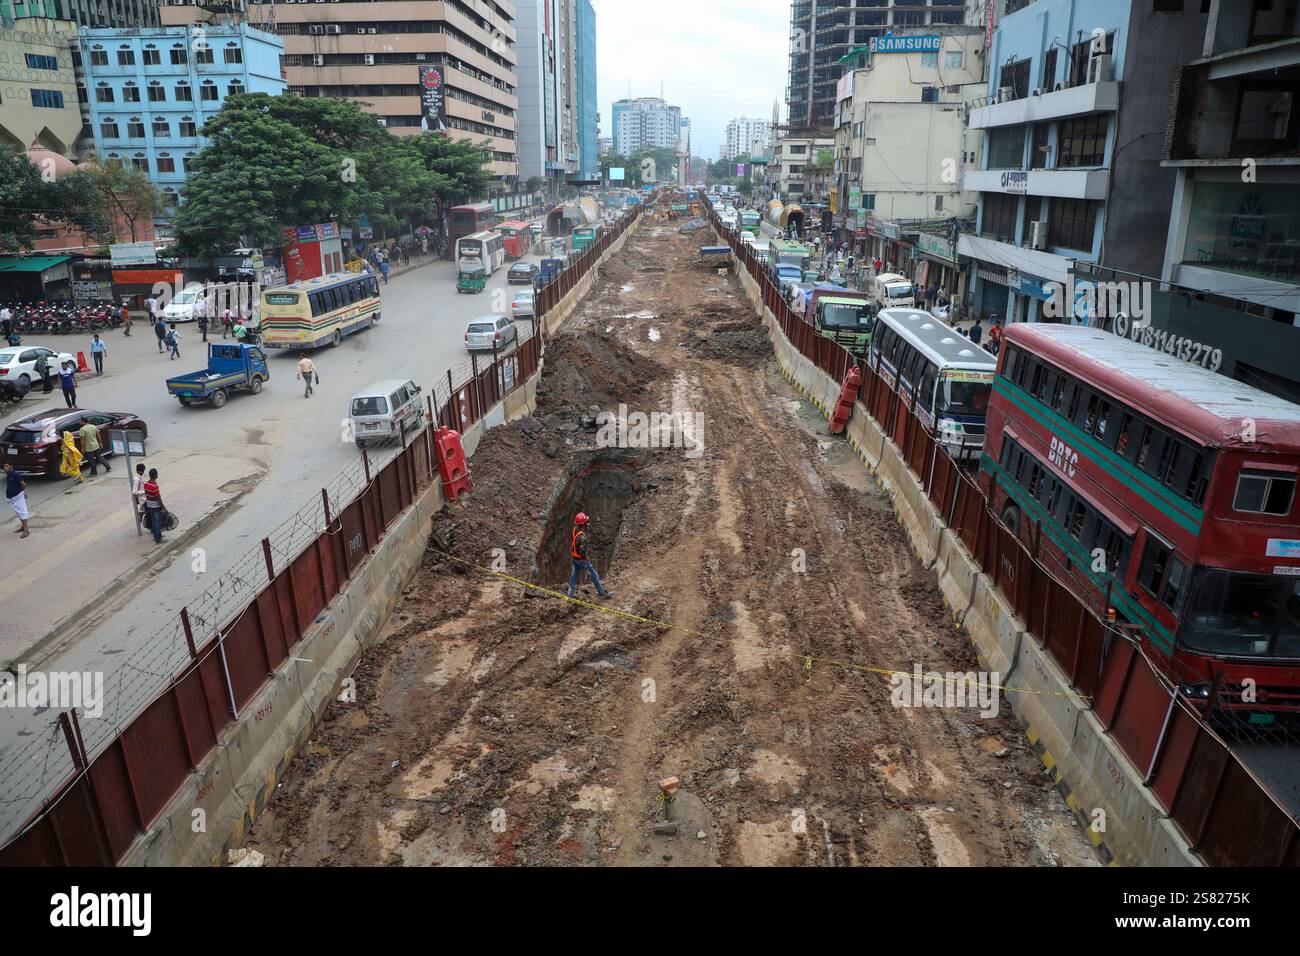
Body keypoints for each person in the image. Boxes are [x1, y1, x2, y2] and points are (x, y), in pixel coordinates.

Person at [566, 512, 611, 600]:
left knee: (574, 576)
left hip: (574, 559)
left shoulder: (575, 530)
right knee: (593, 574)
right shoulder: (583, 536)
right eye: (586, 522)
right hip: (582, 560)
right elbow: (582, 551)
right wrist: (586, 558)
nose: (588, 524)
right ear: (583, 524)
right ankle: (601, 593)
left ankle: (570, 594)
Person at [4, 461, 29, 538]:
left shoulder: (16, 474)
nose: (4, 468)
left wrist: (22, 493)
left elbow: (23, 484)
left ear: (11, 466)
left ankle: (26, 530)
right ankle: (23, 527)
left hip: (18, 496)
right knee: (19, 512)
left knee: (22, 512)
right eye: (4, 466)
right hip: (12, 498)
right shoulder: (8, 473)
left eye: (6, 466)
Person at [142, 467, 167, 544]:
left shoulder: (146, 484)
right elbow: (158, 498)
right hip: (156, 507)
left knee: (153, 521)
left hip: (149, 505)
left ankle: (155, 536)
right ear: (156, 475)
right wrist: (163, 507)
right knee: (158, 523)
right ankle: (158, 539)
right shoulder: (155, 487)